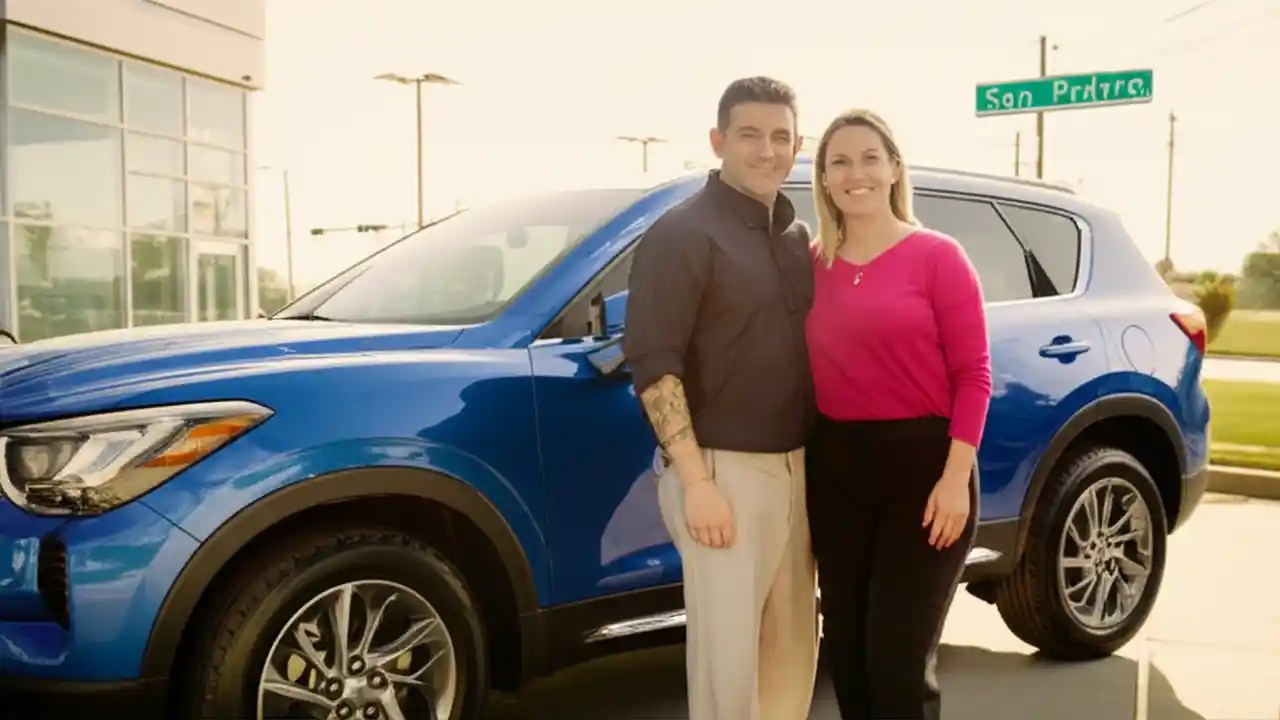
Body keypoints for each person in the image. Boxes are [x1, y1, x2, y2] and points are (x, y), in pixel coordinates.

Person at [623, 76, 819, 720]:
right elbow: (655, 366)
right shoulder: (683, 235)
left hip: (796, 469)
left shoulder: (795, 239)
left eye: (781, 137)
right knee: (727, 666)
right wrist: (697, 482)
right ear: (719, 140)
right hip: (722, 474)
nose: (768, 151)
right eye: (751, 135)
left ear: (796, 146)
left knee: (791, 652)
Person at [804, 108, 993, 720]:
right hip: (837, 474)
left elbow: (974, 376)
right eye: (840, 160)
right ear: (824, 178)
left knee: (897, 664)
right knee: (850, 660)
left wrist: (955, 479)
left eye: (869, 157)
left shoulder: (939, 257)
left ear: (892, 169)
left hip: (926, 474)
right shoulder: (810, 265)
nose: (855, 172)